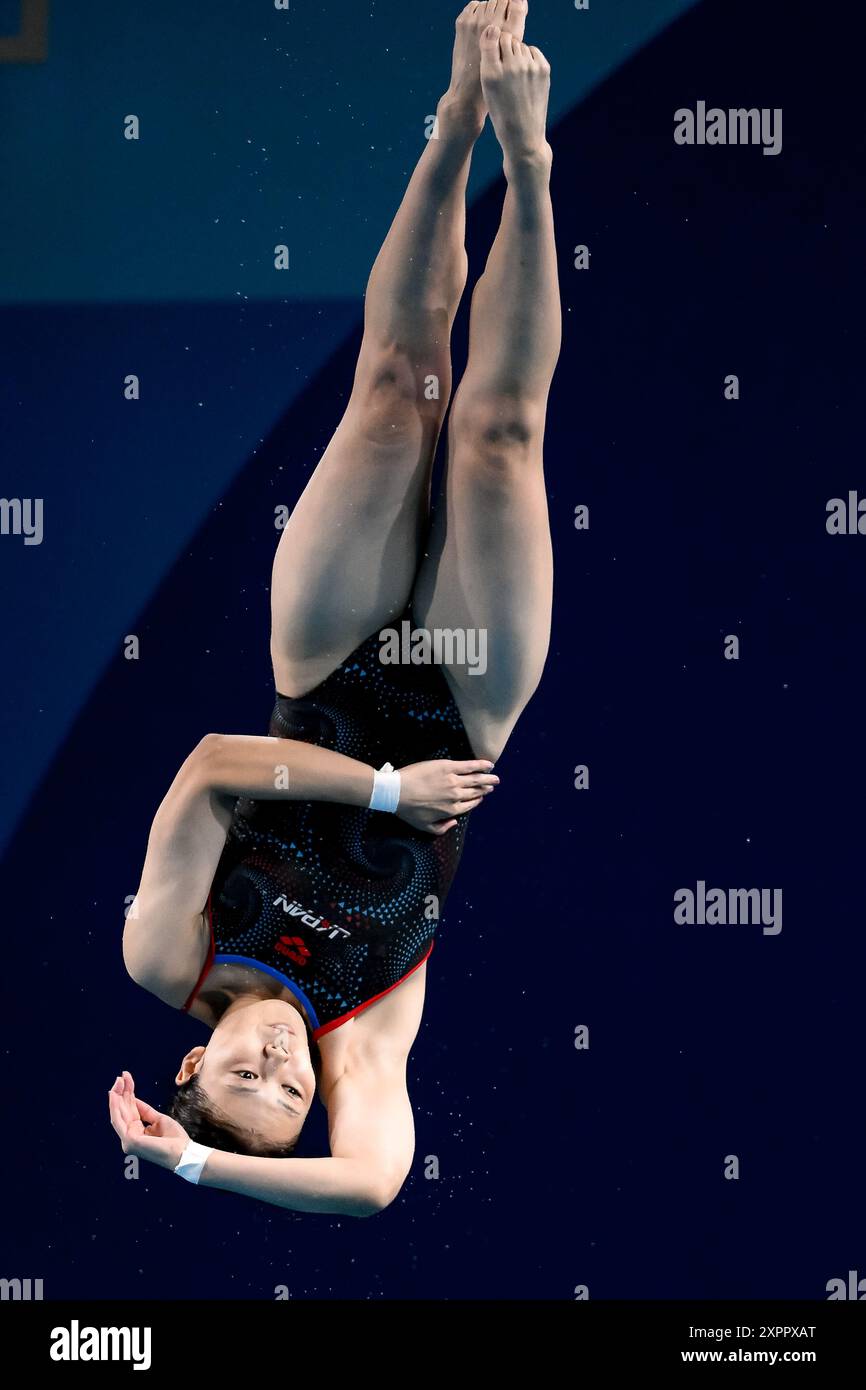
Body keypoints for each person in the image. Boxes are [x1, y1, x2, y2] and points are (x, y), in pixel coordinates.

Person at [110, 0, 561, 1217]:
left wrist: (378, 793)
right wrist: (190, 1162)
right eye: (289, 1098)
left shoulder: (169, 955)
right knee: (496, 437)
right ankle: (526, 156)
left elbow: (209, 768)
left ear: (192, 1062)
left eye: (242, 1078)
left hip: (324, 663)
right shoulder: (361, 1040)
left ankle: (455, 120)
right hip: (466, 704)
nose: (280, 1067)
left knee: (392, 386)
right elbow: (369, 1188)